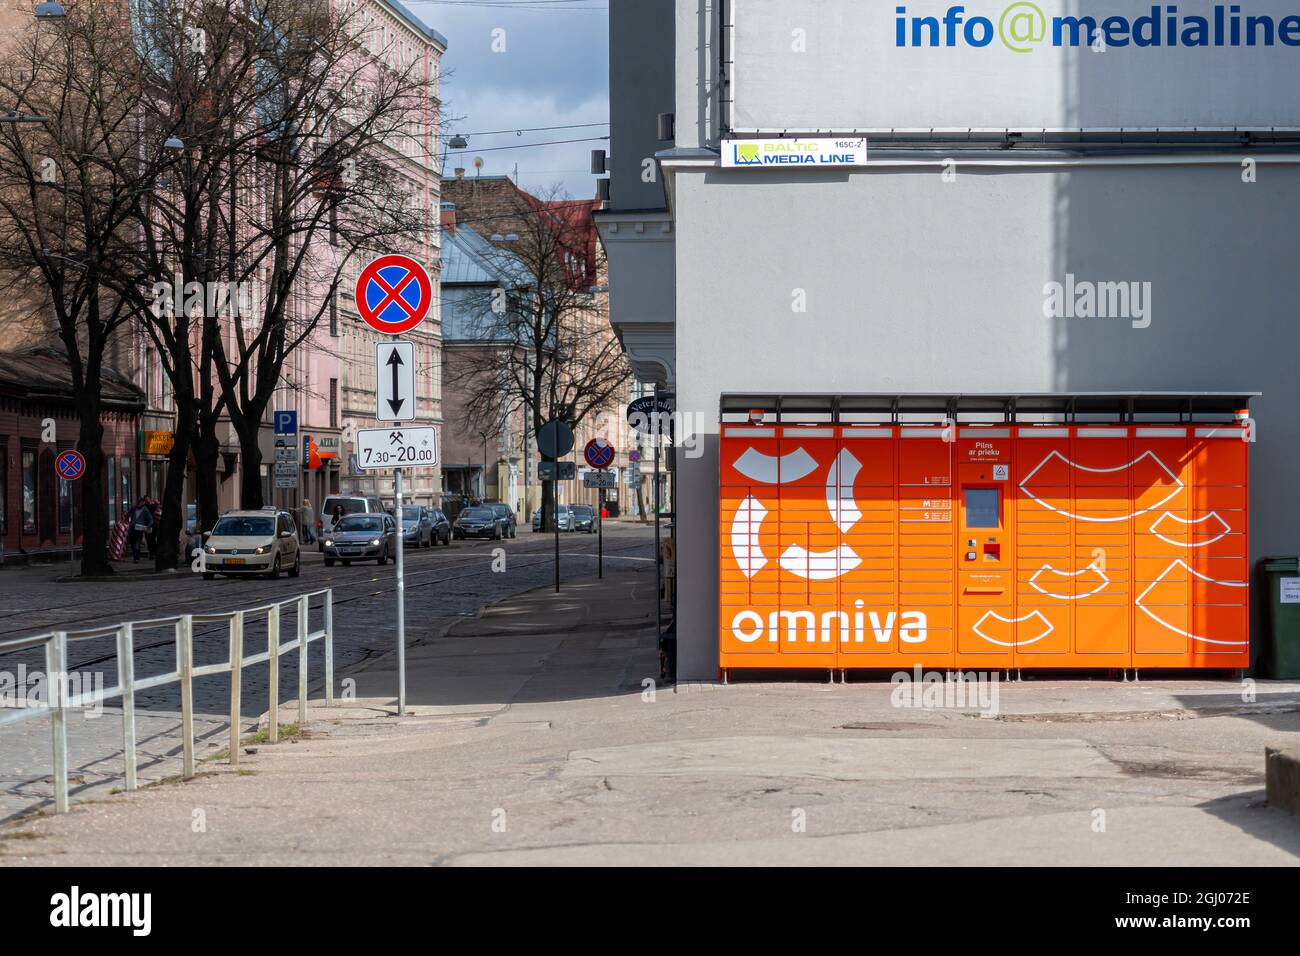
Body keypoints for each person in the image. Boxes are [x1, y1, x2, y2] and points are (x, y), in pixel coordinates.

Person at [129, 497, 154, 563]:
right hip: (132, 528)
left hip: (139, 529)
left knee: (137, 543)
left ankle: (136, 558)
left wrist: (148, 527)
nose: (140, 504)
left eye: (142, 503)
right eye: (140, 502)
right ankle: (135, 556)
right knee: (132, 544)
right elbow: (128, 514)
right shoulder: (133, 508)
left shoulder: (145, 510)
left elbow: (150, 519)